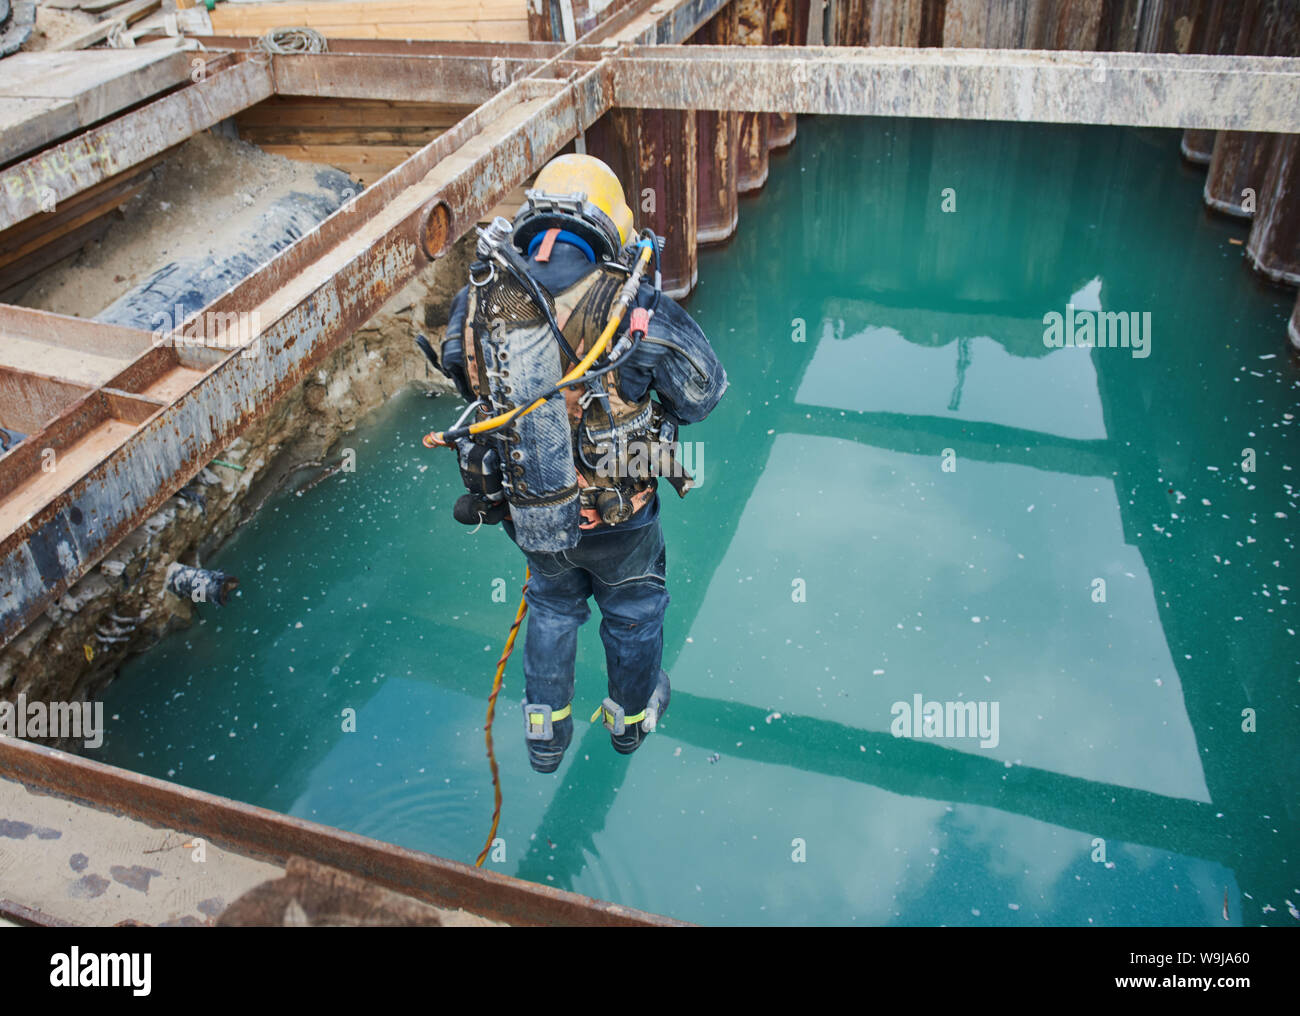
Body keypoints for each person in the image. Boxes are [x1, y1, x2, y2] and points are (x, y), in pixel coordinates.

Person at [424, 153, 727, 773]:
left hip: (534, 510)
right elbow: (703, 396)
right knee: (634, 612)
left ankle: (544, 737)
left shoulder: (479, 298)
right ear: (610, 226)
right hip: (623, 521)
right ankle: (630, 722)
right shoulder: (633, 307)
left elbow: (464, 377)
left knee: (553, 605)